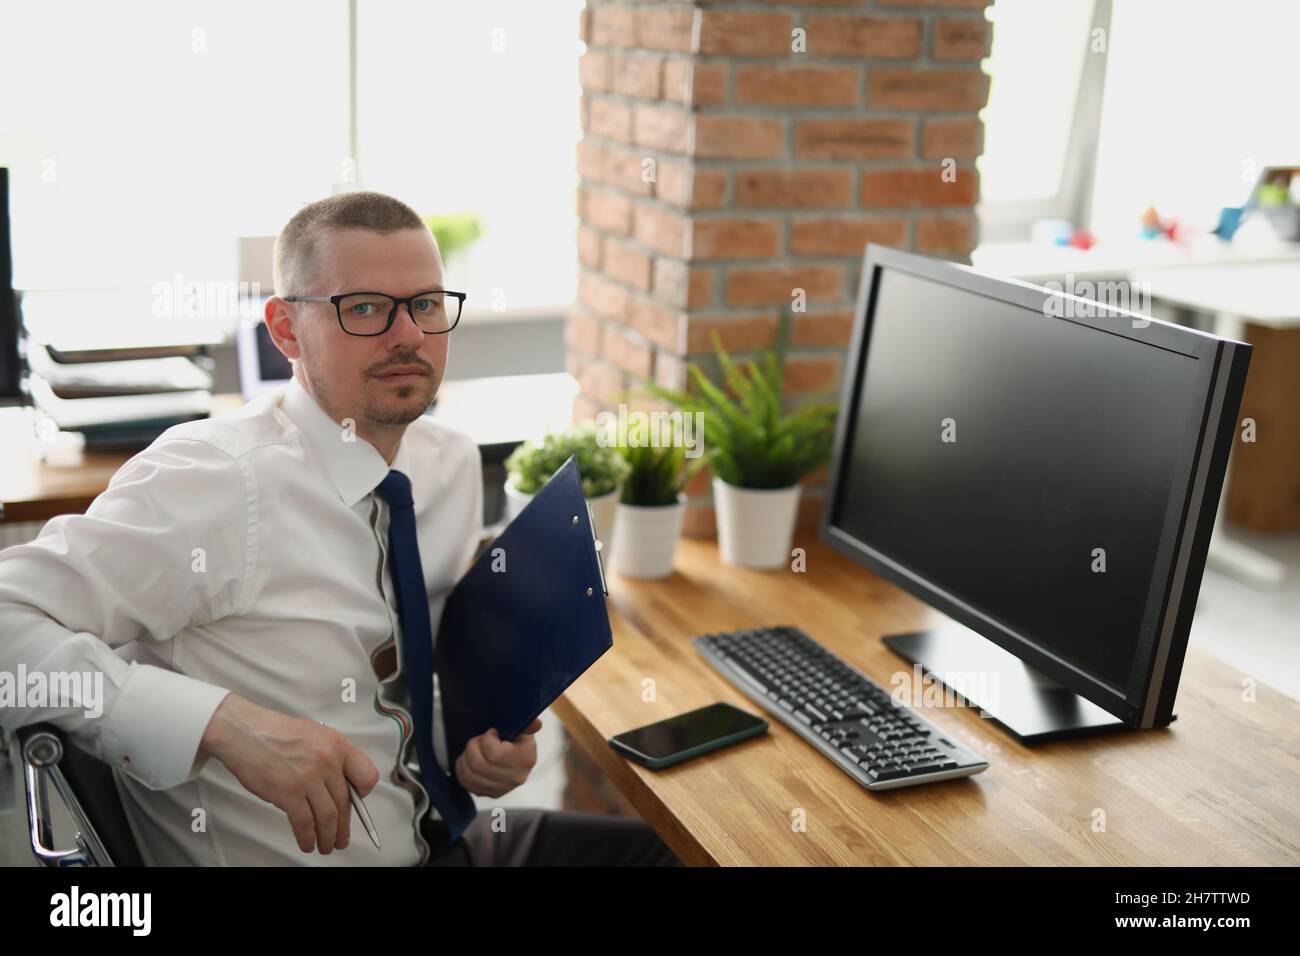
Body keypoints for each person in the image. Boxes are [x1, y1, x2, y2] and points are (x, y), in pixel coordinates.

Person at [0, 190, 677, 867]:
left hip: (445, 838)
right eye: (364, 309)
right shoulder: (211, 483)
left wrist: (468, 750)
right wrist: (223, 725)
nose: (408, 334)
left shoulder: (446, 463)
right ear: (286, 330)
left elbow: (400, 682)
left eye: (426, 304)